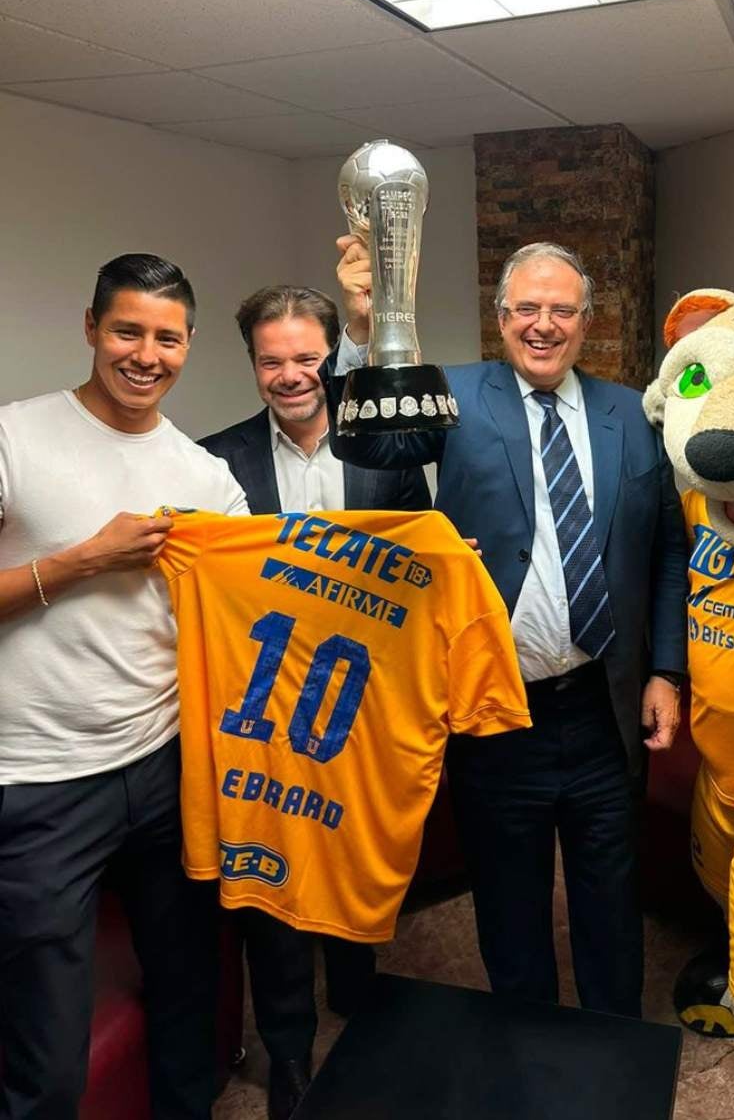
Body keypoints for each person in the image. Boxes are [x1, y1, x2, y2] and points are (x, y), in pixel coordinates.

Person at [329, 237, 689, 1016]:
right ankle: (525, 1048)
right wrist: (362, 334)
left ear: (586, 323)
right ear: (500, 318)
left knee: (609, 900)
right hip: (497, 712)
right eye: (527, 308)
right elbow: (369, 450)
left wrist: (667, 669)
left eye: (562, 310)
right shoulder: (453, 395)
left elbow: (666, 551)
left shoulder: (634, 415)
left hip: (604, 710)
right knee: (509, 903)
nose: (543, 324)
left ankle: (609, 1050)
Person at [0, 253, 248, 1120]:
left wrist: (414, 577)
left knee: (188, 997)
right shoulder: (14, 436)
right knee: (45, 1041)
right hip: (37, 782)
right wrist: (81, 562)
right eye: (128, 331)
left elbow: (271, 590)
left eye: (167, 338)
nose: (147, 354)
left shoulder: (205, 476)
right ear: (91, 329)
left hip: (164, 769)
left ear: (188, 346)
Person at [199, 284, 430, 1120]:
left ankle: (361, 987)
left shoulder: (387, 451)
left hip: (366, 703)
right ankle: (289, 1052)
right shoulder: (211, 460)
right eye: (272, 359)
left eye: (306, 357)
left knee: (359, 848)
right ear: (252, 363)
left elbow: (421, 560)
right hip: (261, 711)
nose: (291, 375)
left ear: (334, 356)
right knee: (273, 881)